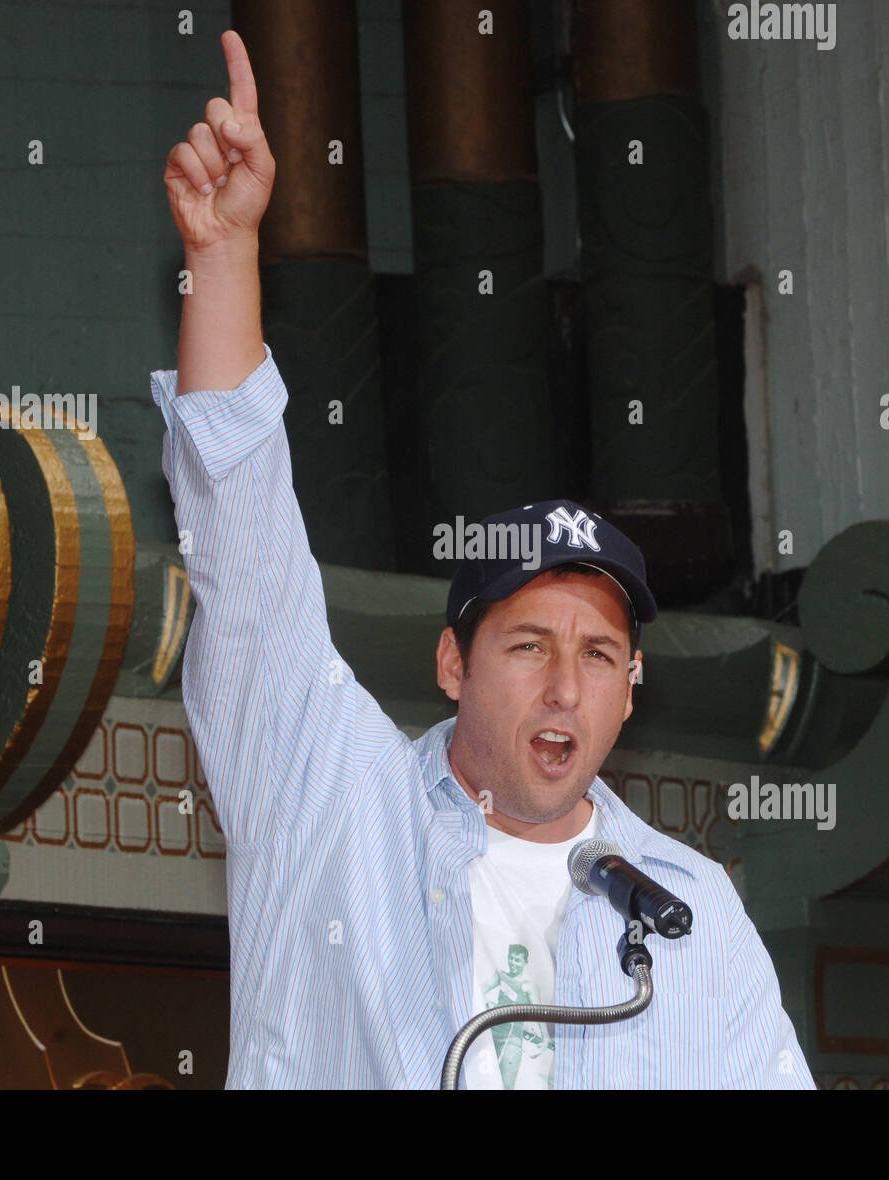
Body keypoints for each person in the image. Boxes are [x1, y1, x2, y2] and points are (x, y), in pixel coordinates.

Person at [153, 29, 816, 1090]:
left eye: (601, 654)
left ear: (632, 685)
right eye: (528, 644)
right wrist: (224, 255)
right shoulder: (331, 801)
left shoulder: (685, 909)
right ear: (452, 665)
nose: (566, 685)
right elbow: (240, 527)